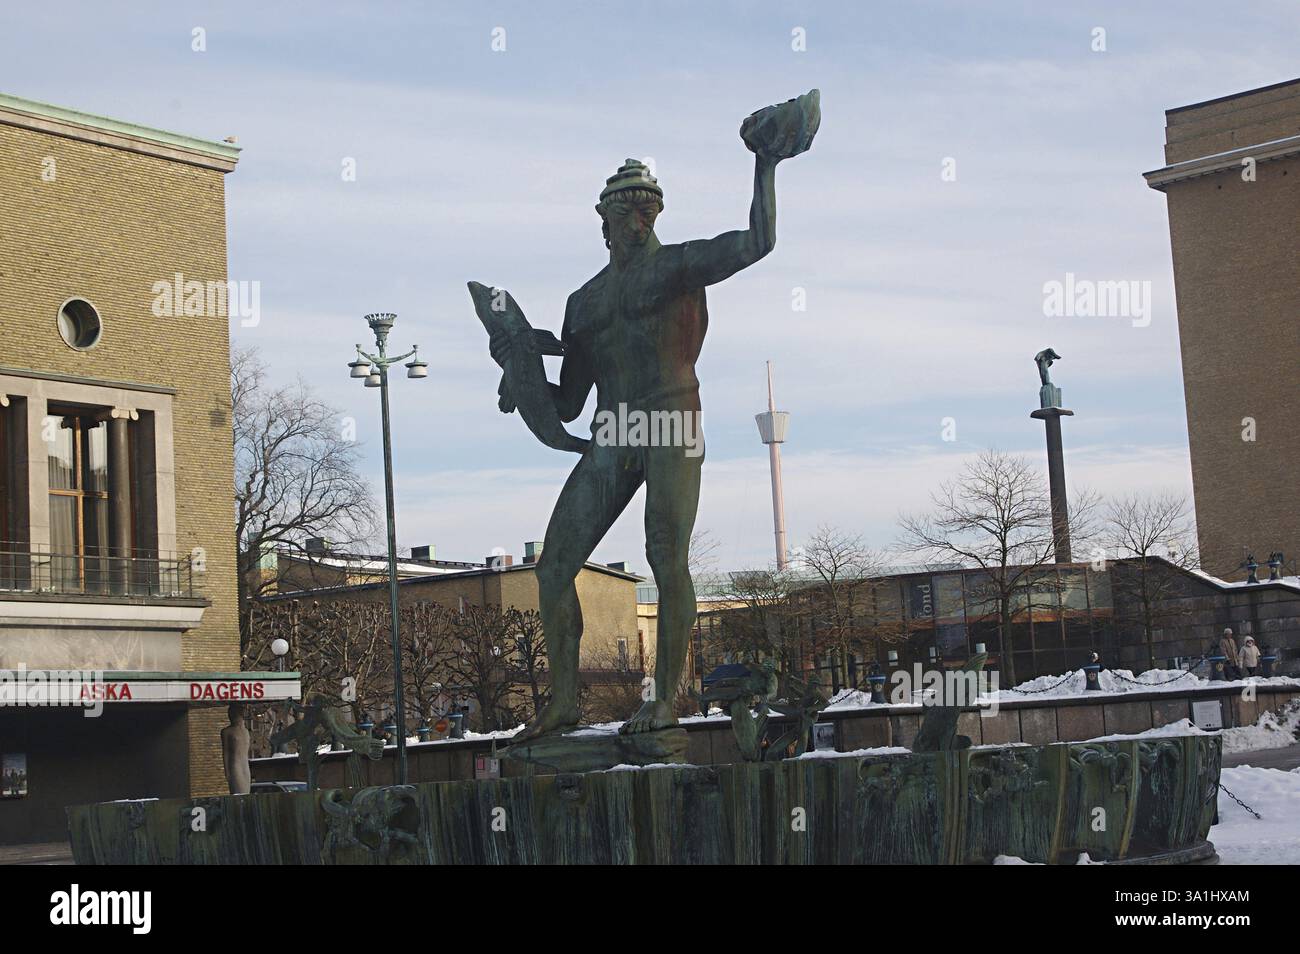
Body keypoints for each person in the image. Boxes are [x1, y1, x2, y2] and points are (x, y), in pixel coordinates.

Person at [489, 102, 817, 742]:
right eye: (627, 210)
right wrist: (519, 377)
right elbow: (568, 406)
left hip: (670, 417)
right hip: (613, 429)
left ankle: (664, 701)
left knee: (666, 557)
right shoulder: (582, 303)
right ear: (603, 220)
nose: (639, 220)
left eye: (649, 210)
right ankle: (561, 704)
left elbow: (758, 242)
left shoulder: (676, 267)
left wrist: (765, 165)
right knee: (554, 566)